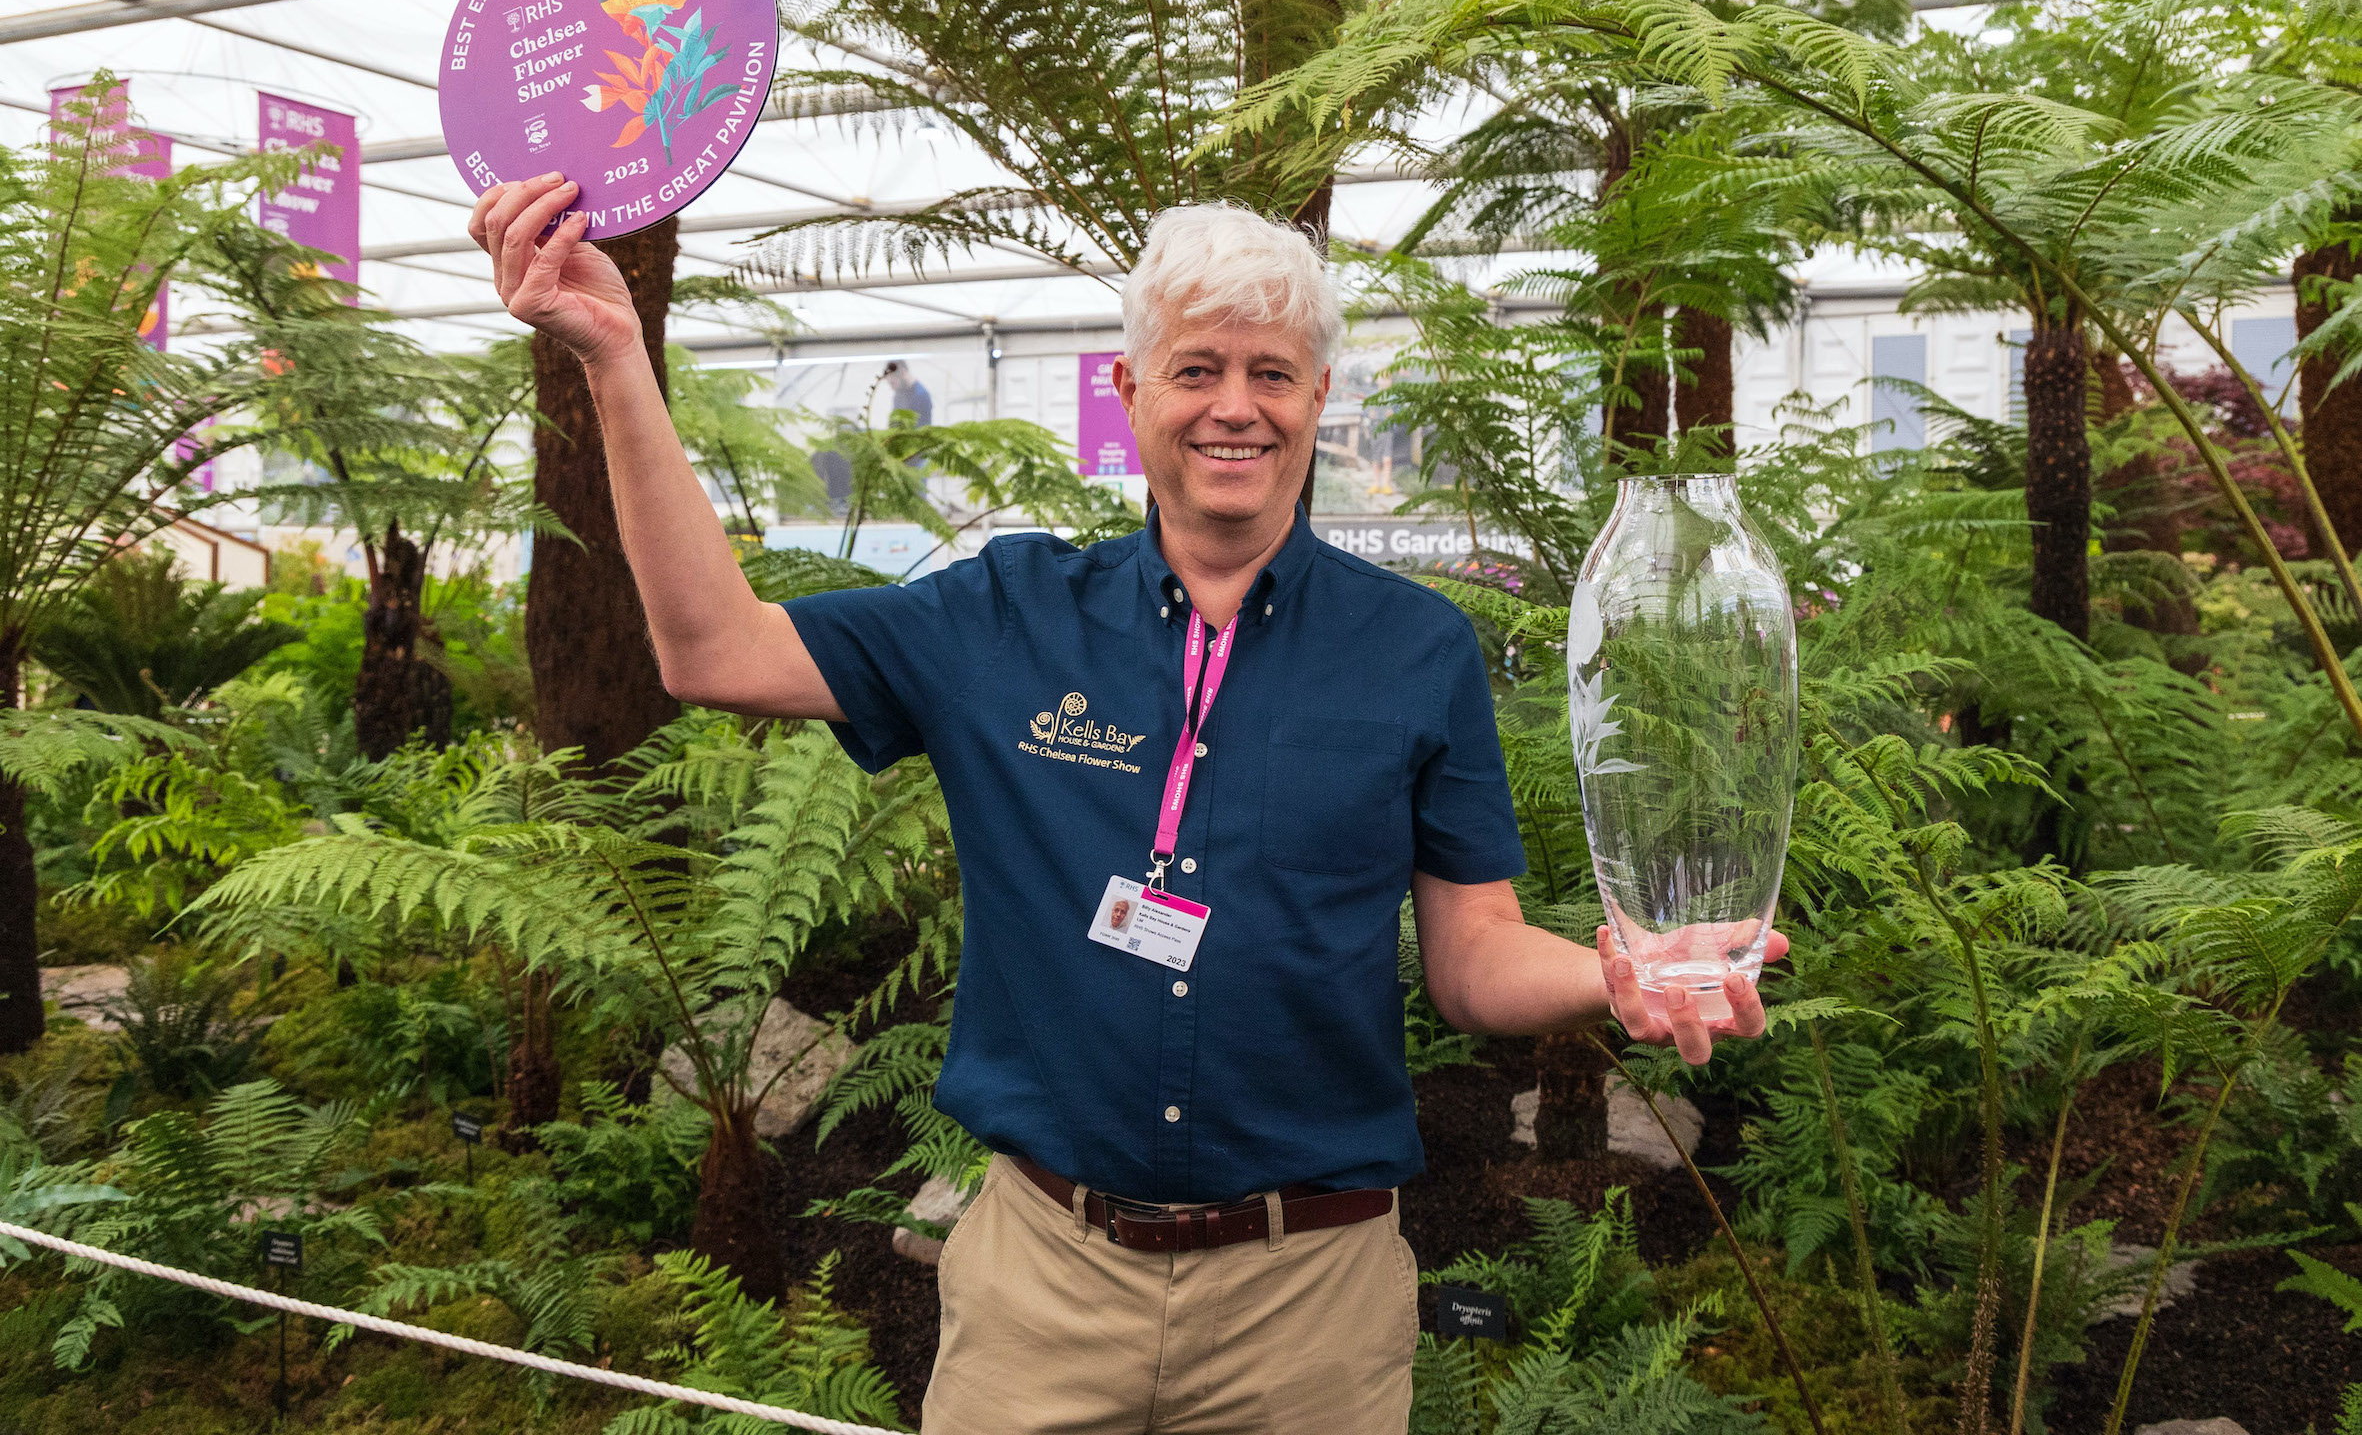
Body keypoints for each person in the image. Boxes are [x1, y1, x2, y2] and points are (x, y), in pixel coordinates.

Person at [466, 178, 1787, 1435]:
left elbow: (1473, 959)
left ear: (1318, 396)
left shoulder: (1413, 651)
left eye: (1271, 373)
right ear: (1129, 389)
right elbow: (712, 651)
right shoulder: (1002, 614)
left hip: (1307, 1301)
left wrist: (1610, 972)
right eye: (1197, 368)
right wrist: (613, 361)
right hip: (1043, 1280)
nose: (1235, 407)